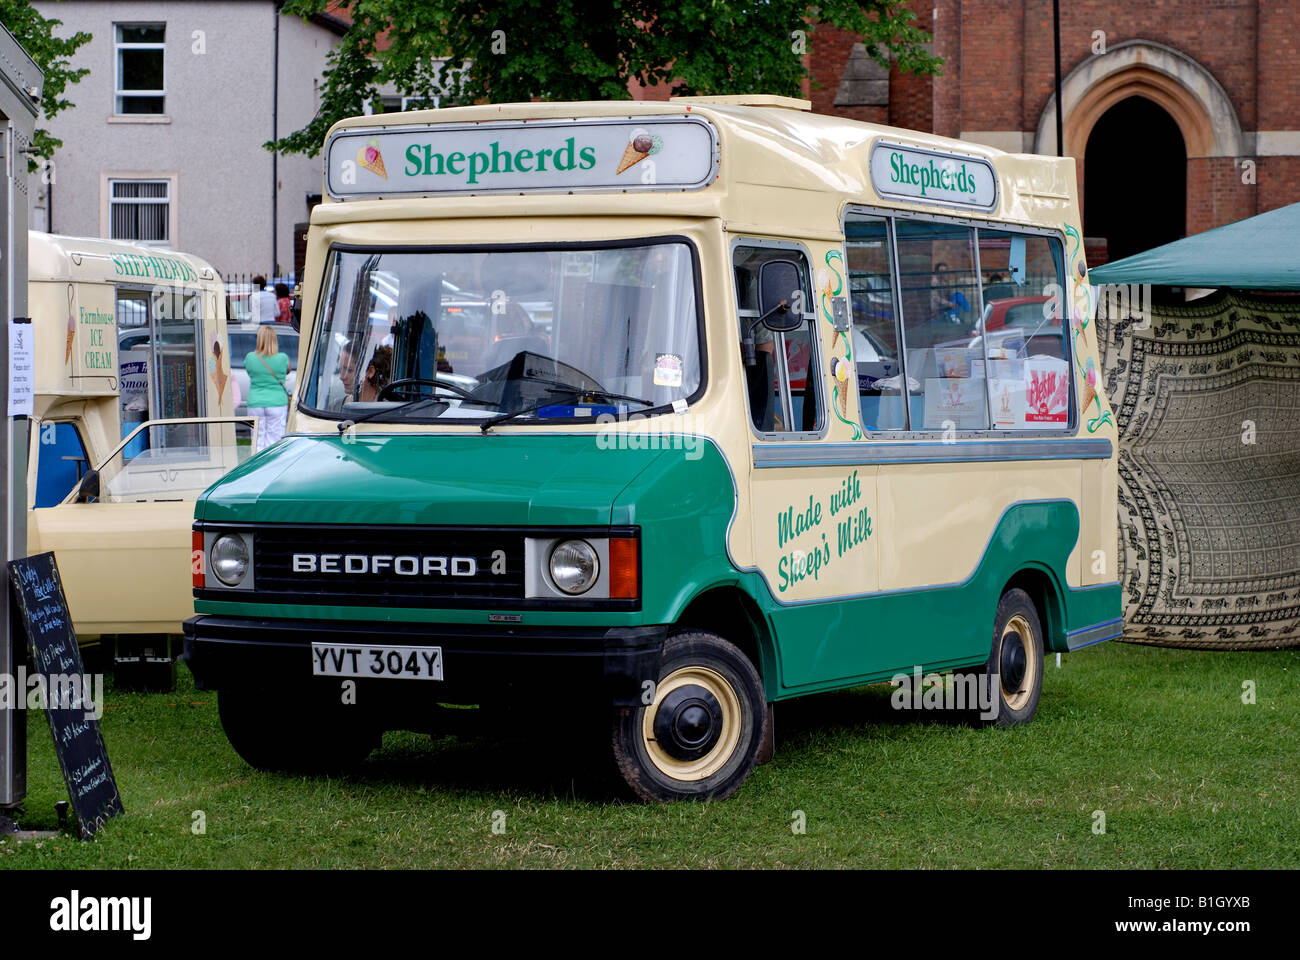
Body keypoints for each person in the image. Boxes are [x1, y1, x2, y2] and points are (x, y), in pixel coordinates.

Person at [245, 323, 292, 451]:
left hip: (255, 403)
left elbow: (249, 371)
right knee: (275, 440)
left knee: (257, 440)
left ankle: (257, 466)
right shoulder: (283, 358)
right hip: (277, 402)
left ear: (259, 339)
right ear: (274, 339)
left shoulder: (250, 357)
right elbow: (288, 370)